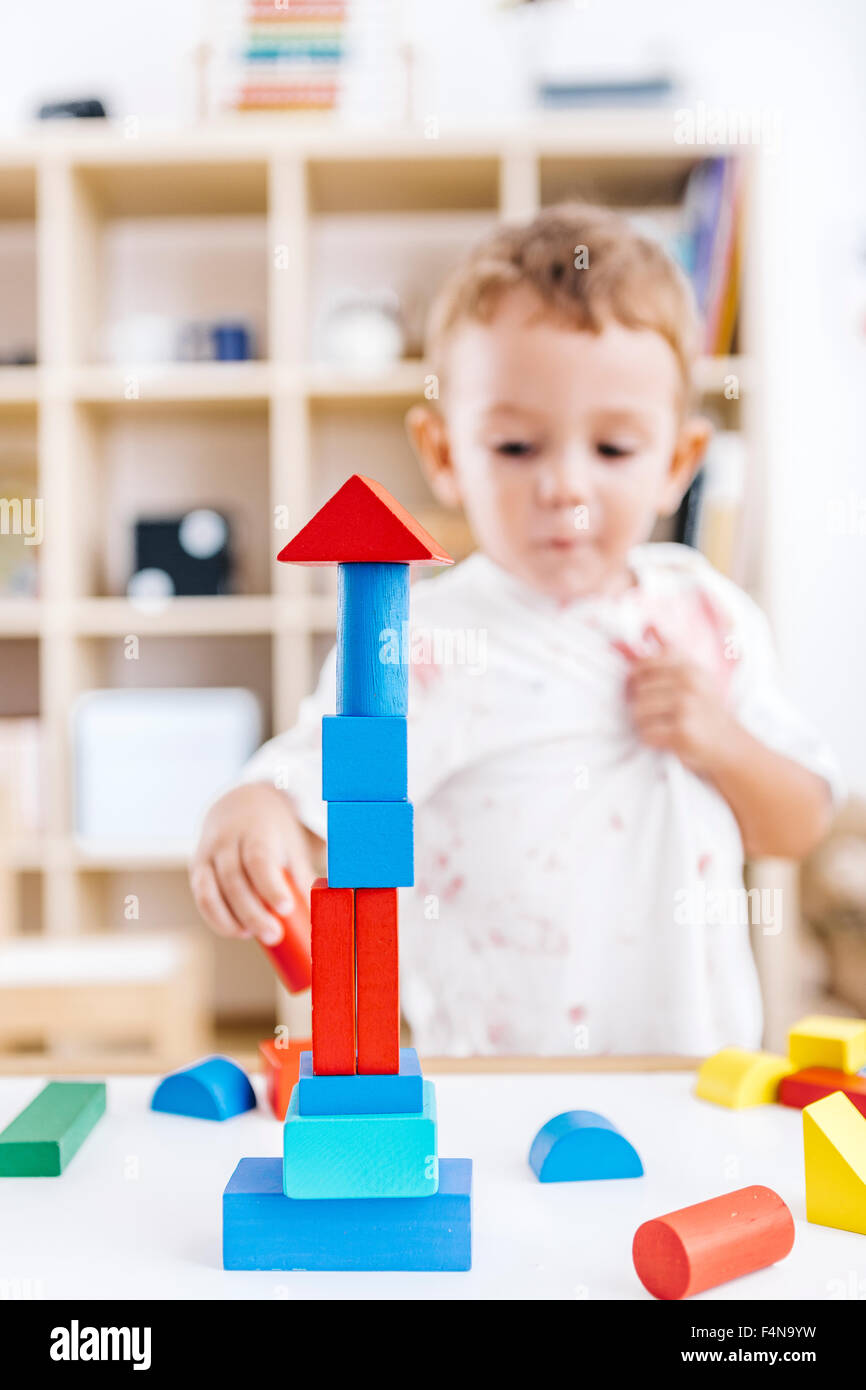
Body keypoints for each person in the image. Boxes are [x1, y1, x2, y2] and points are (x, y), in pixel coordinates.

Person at [190, 203, 839, 1056]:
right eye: (516, 447)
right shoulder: (417, 637)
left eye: (612, 449)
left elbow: (798, 825)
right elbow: (324, 799)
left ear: (678, 465)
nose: (565, 486)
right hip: (496, 1077)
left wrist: (718, 740)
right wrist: (256, 809)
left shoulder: (708, 615)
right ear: (445, 453)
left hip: (695, 1067)